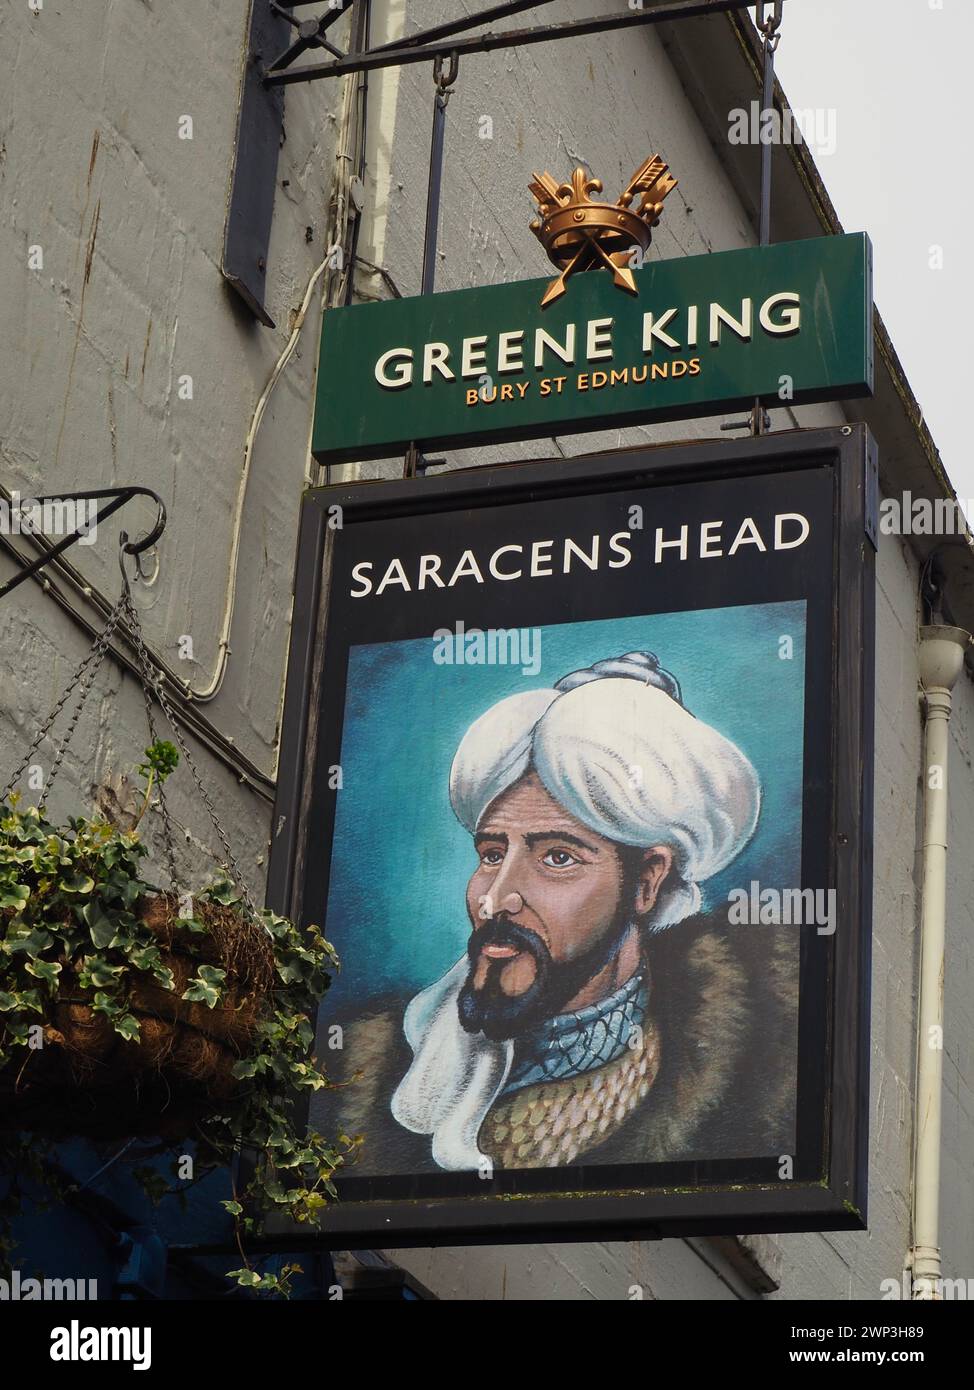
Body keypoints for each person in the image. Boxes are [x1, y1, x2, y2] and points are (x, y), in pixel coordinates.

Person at [330, 651, 798, 1173]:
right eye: (491, 854)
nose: (496, 898)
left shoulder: (756, 1071)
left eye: (558, 857)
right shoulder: (360, 1069)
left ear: (646, 882)